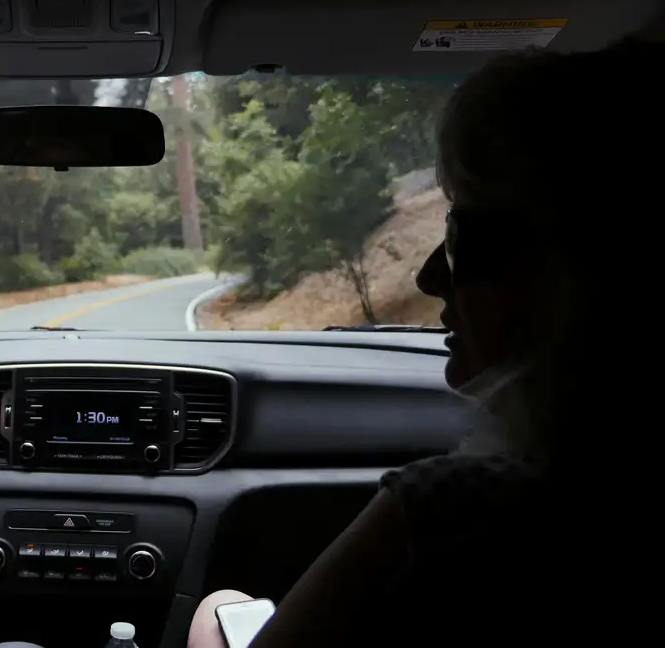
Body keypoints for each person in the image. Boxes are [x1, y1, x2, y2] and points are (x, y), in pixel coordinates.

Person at [187, 37, 658, 648]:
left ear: (586, 265)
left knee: (218, 607)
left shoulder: (451, 508)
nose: (430, 275)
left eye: (467, 235)